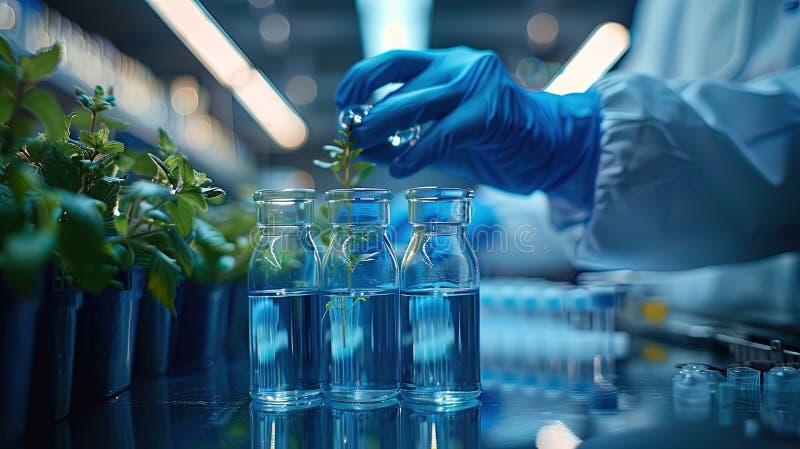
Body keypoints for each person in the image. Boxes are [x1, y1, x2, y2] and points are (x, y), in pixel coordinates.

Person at [334, 0, 800, 271]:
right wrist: (490, 220)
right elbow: (611, 201)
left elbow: (639, 156)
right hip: (668, 317)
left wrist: (576, 145)